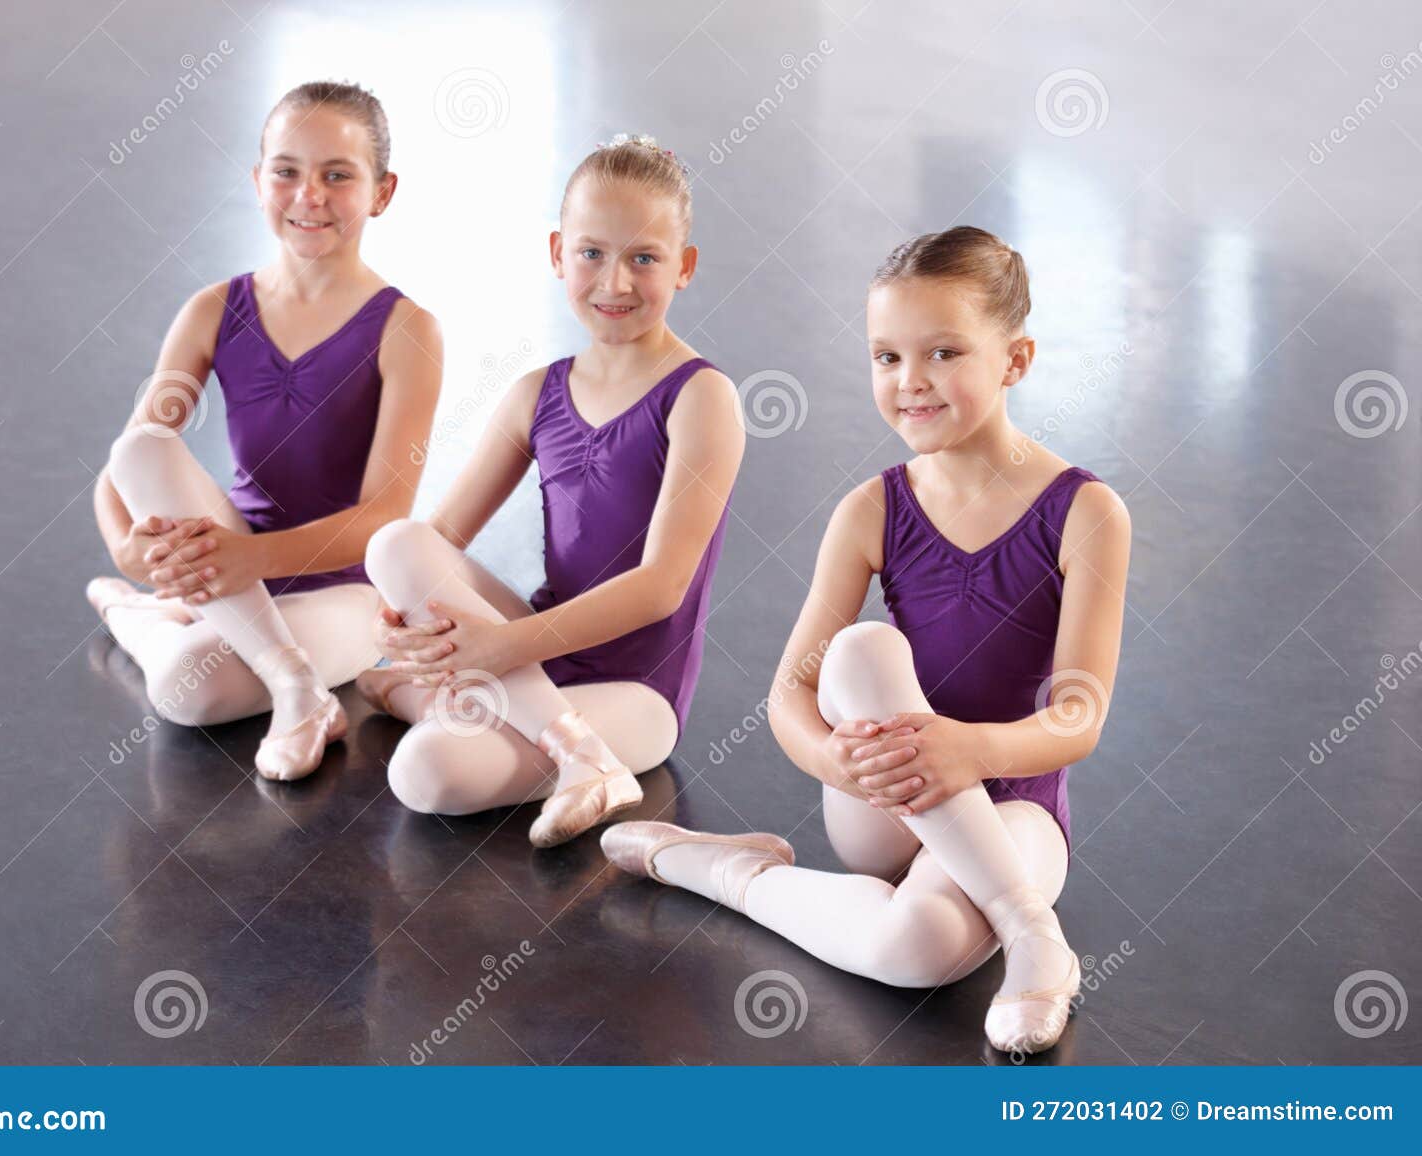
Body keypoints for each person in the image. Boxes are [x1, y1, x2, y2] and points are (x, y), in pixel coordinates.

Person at [603, 226, 1132, 1055]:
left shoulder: (1085, 513)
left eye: (945, 352)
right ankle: (1034, 934)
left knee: (915, 950)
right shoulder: (871, 510)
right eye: (887, 357)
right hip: (880, 804)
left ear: (1016, 360)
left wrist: (969, 752)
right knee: (859, 652)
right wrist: (831, 761)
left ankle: (712, 868)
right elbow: (789, 696)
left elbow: (1081, 715)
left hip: (1014, 802)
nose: (911, 382)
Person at [358, 134, 744, 848]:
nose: (615, 282)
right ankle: (580, 755)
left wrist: (498, 648)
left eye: (644, 258)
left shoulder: (701, 398)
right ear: (557, 253)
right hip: (538, 660)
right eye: (592, 253)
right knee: (395, 543)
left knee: (425, 774)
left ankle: (452, 702)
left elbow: (661, 588)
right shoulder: (536, 393)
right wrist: (393, 619)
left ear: (683, 267)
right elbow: (438, 541)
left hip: (638, 693)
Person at [87, 81, 442, 781]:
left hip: (344, 589)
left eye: (337, 175)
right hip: (230, 556)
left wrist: (250, 562)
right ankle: (293, 685)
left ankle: (145, 621)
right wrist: (130, 550)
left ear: (382, 191)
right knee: (142, 445)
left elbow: (385, 517)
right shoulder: (214, 309)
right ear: (258, 182)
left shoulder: (408, 332)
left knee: (188, 690)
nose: (309, 194)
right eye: (287, 171)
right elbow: (120, 468)